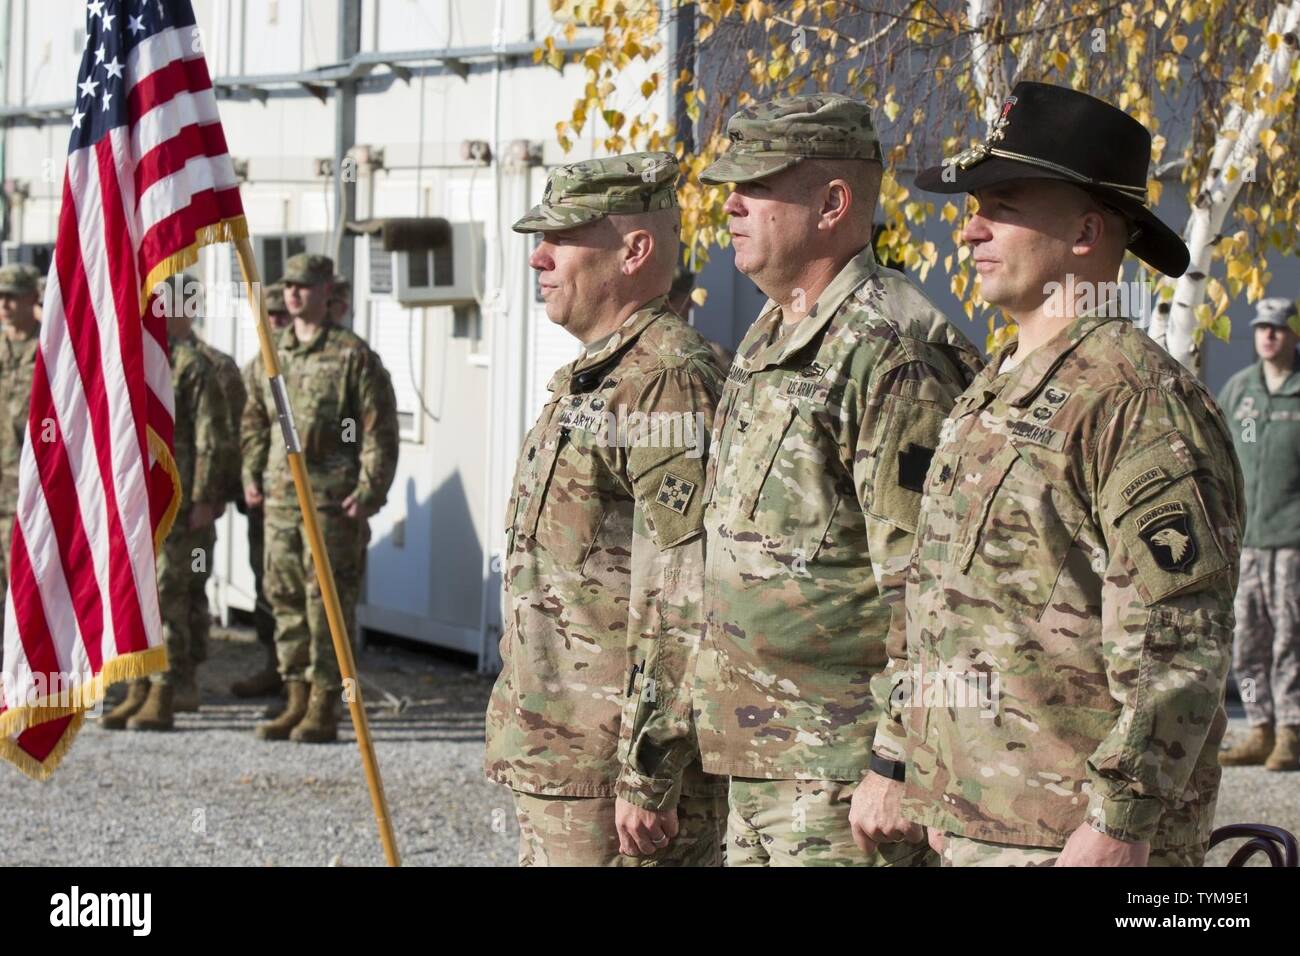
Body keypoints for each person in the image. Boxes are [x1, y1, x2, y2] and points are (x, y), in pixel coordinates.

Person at [857, 81, 1244, 867]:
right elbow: (934, 601)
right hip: (971, 826)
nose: (970, 231)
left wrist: (1119, 822)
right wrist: (895, 753)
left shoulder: (1136, 402)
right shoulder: (992, 388)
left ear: (1085, 233)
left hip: (1072, 843)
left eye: (1001, 204)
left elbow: (1178, 642)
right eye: (973, 207)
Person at [694, 94, 981, 866]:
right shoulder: (773, 332)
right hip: (768, 763)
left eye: (758, 185)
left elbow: (934, 586)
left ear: (832, 203)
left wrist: (895, 760)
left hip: (845, 780)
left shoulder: (891, 353)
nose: (732, 204)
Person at [484, 152, 728, 866]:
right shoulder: (600, 377)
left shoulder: (665, 383)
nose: (538, 258)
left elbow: (684, 593)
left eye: (562, 236)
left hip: (615, 776)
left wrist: (651, 771)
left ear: (634, 250)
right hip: (565, 758)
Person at [241, 255, 399, 743]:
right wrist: (251, 473)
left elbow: (379, 429)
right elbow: (252, 421)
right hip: (280, 501)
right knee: (284, 598)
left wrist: (370, 490)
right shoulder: (273, 355)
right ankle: (293, 697)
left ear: (326, 292)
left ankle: (325, 703)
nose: (293, 294)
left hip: (331, 501)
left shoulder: (353, 355)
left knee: (325, 602)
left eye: (304, 287)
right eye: (288, 286)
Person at [103, 276, 233, 731]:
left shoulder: (196, 366)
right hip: (139, 500)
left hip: (178, 503)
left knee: (170, 596)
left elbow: (212, 439)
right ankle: (139, 684)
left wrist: (204, 498)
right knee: (137, 596)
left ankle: (166, 689)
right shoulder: (141, 359)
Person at [1217, 296, 1300, 772]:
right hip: (1247, 540)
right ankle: (1258, 726)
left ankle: (1290, 729)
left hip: (1292, 541)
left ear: (1293, 335)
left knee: (1289, 640)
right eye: (1261, 327)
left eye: (1278, 327)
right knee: (1247, 642)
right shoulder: (1240, 390)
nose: (1268, 334)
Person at [174, 273, 245, 713]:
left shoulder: (214, 364)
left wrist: (213, 494)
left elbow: (226, 437)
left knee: (190, 585)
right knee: (164, 587)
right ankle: (159, 674)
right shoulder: (151, 356)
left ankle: (186, 672)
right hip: (158, 505)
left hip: (196, 503)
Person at [230, 281, 290, 699]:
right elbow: (247, 432)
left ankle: (312, 682)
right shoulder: (253, 369)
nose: (276, 324)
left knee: (310, 593)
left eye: (281, 317)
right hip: (265, 500)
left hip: (315, 500)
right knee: (267, 585)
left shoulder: (329, 359)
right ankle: (275, 664)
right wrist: (249, 480)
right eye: (269, 317)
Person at [0, 264, 43, 643]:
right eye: (1, 296)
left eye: (12, 295)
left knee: (28, 591)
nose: (5, 303)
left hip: (30, 496)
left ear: (34, 298)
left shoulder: (50, 355)